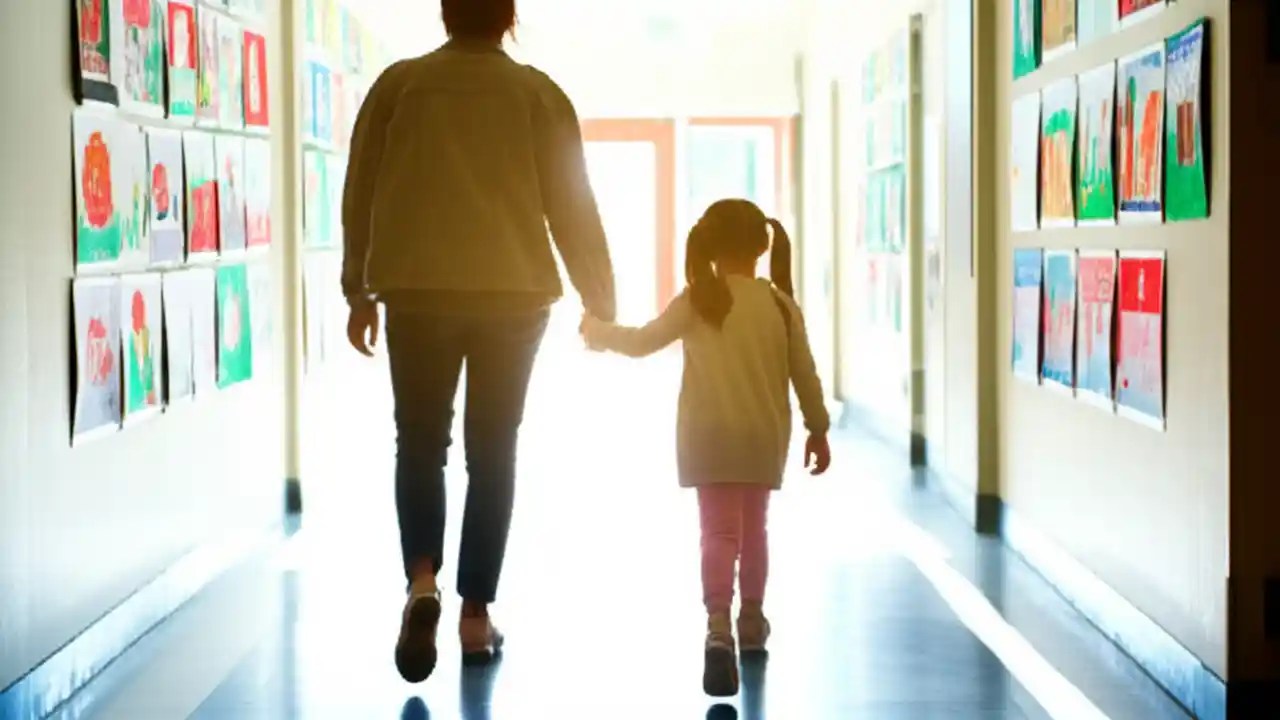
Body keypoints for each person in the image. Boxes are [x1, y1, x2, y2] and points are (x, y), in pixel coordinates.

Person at [341, 0, 616, 684]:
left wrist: (357, 289)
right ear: (509, 18)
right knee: (493, 453)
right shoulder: (538, 94)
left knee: (420, 441)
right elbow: (572, 201)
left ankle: (422, 582)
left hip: (416, 291)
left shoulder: (398, 86)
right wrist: (600, 299)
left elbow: (360, 191)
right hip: (513, 294)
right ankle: (472, 616)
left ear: (444, 13)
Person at [581, 199, 831, 697]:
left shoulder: (700, 299)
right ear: (762, 246)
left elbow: (642, 342)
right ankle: (752, 621)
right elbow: (804, 372)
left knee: (717, 532)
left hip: (707, 435)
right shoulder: (780, 304)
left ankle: (717, 623)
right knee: (754, 528)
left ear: (711, 245)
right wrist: (817, 428)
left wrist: (597, 332)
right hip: (762, 435)